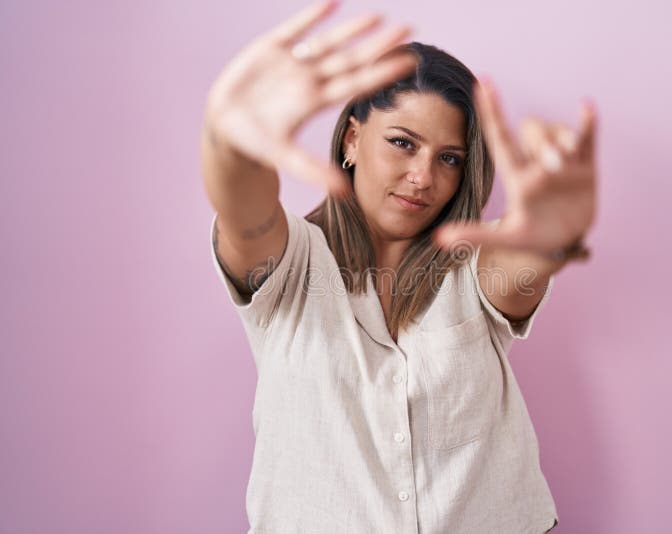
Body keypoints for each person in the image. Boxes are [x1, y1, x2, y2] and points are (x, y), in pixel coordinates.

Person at [201, 1, 597, 532]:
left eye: (448, 158)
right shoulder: (292, 264)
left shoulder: (473, 264)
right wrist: (230, 145)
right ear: (352, 139)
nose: (422, 176)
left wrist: (551, 239)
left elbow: (521, 264)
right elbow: (243, 208)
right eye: (402, 143)